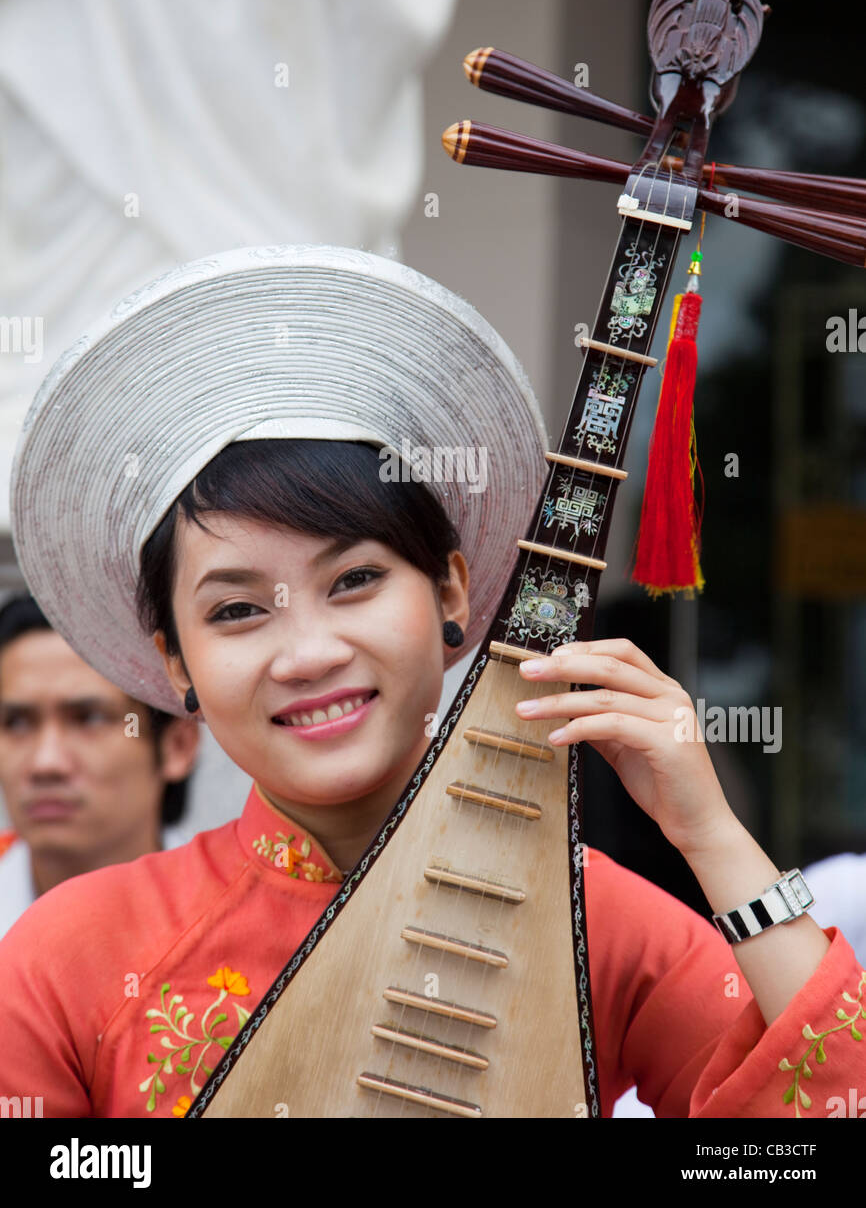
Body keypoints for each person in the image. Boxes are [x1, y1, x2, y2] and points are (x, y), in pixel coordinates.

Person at [0, 244, 862, 1119]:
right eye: (236, 612)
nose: (307, 653)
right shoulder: (71, 953)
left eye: (355, 582)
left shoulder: (595, 918)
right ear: (175, 661)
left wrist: (710, 833)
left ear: (450, 590)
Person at [0, 595, 200, 938]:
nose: (45, 763)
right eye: (17, 723)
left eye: (89, 719)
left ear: (176, 746)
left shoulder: (250, 924)